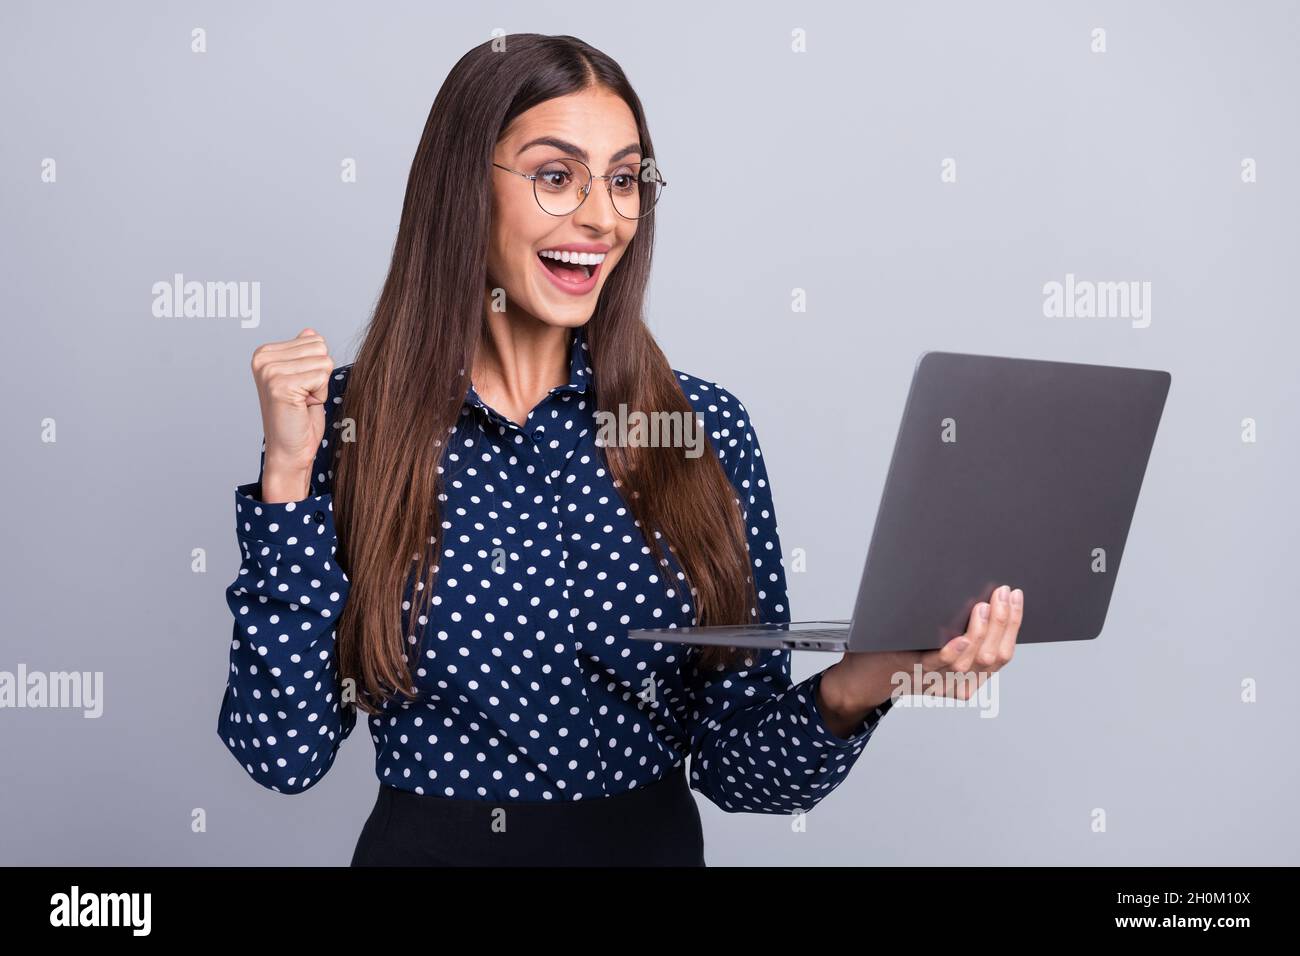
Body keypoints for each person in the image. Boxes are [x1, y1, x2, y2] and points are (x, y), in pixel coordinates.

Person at [216, 33, 1021, 867]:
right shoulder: (345, 425)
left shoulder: (700, 430)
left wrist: (875, 673)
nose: (603, 216)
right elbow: (282, 757)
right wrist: (286, 478)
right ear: (463, 187)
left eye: (626, 179)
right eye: (556, 176)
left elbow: (740, 770)